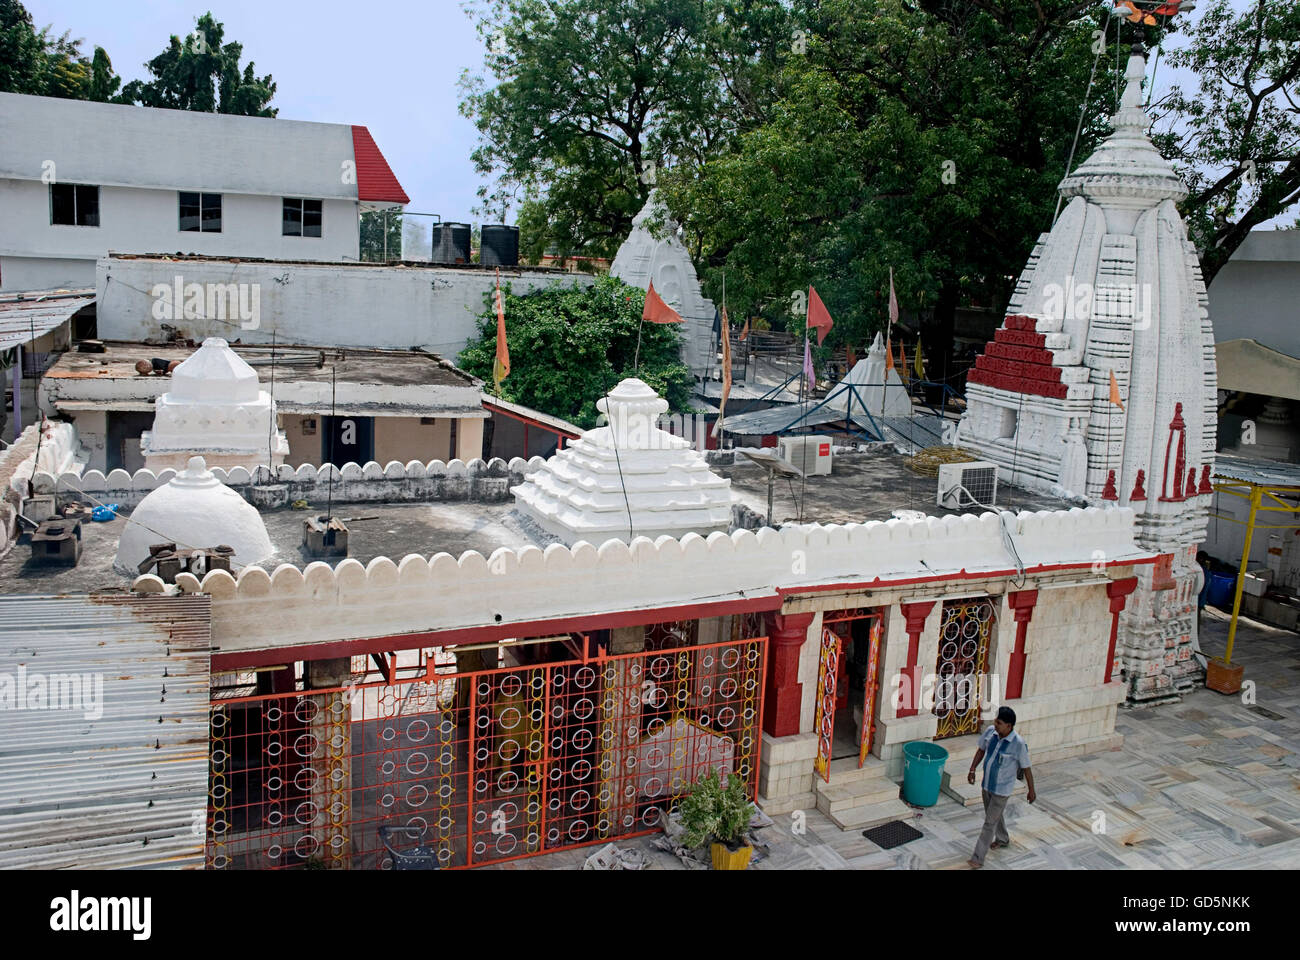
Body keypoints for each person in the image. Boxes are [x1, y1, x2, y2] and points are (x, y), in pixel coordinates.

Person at [966, 705, 1035, 868]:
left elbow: (1026, 767)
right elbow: (981, 750)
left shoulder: (1018, 744)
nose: (996, 724)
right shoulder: (991, 732)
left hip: (1002, 790)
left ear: (1009, 726)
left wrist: (1031, 790)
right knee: (994, 815)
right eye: (996, 721)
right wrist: (972, 769)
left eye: (999, 723)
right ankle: (1003, 838)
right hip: (987, 785)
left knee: (989, 822)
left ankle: (977, 857)